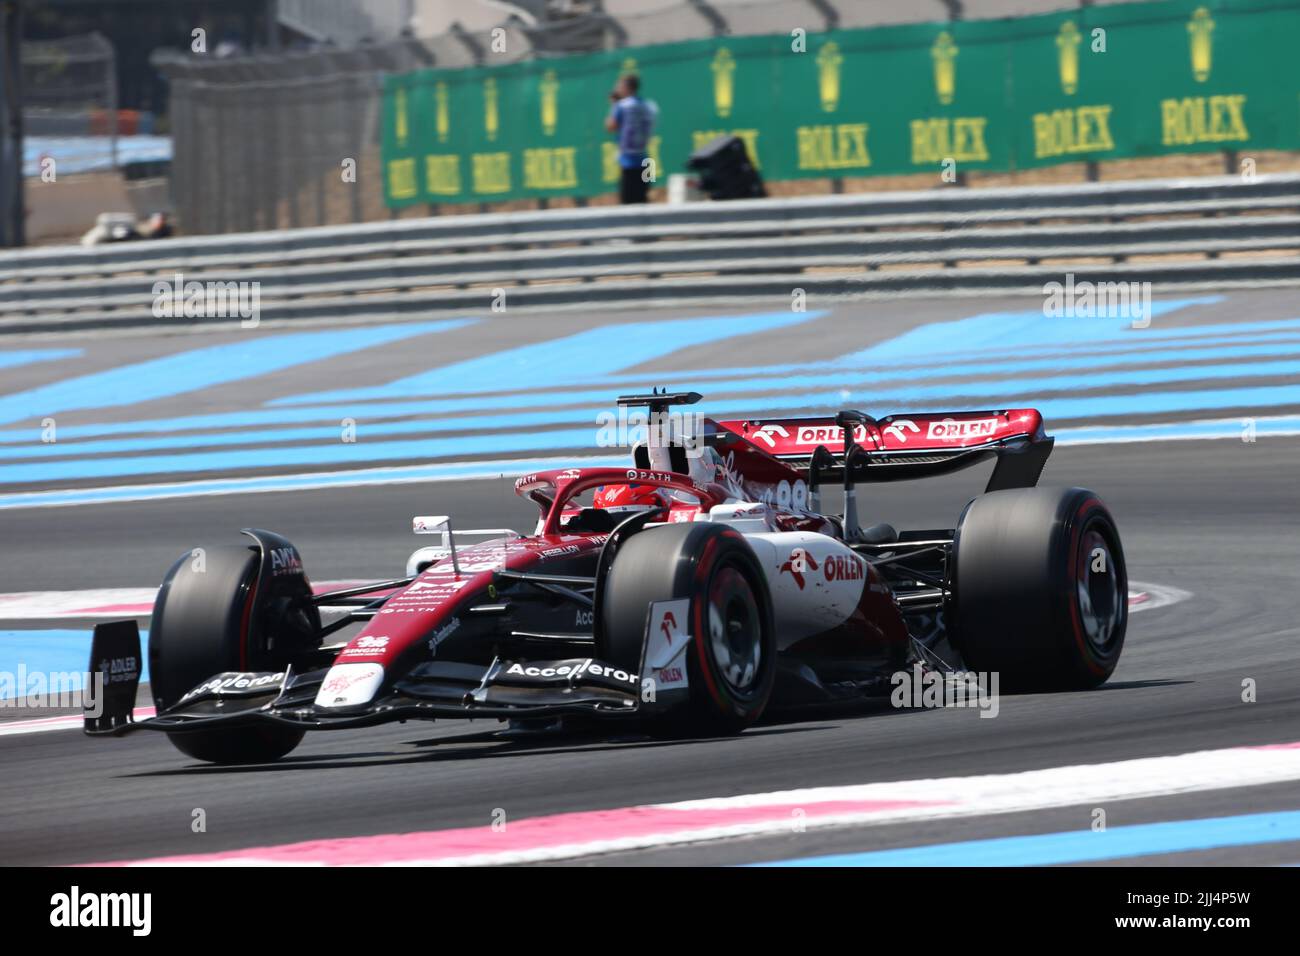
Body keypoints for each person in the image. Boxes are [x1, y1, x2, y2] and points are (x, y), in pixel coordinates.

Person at [605, 74, 656, 204]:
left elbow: (610, 126)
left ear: (626, 87)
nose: (617, 89)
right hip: (647, 161)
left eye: (619, 86)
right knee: (643, 201)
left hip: (629, 162)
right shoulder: (647, 105)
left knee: (628, 204)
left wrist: (613, 105)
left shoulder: (622, 106)